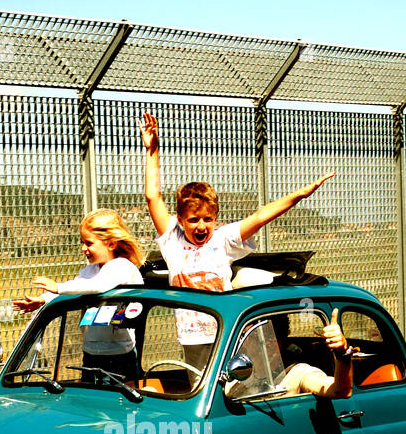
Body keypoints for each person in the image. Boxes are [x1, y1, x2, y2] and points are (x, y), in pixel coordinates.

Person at [138, 111, 335, 372]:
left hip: (226, 333)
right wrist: (152, 149)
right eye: (194, 219)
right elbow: (153, 197)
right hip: (192, 337)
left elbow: (260, 216)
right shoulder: (172, 241)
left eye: (207, 219)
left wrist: (299, 195)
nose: (201, 226)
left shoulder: (222, 240)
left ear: (215, 218)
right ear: (181, 219)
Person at [11, 209, 145, 384]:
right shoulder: (92, 270)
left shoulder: (122, 267)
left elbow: (96, 286)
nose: (83, 248)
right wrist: (44, 299)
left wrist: (58, 287)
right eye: (82, 242)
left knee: (115, 405)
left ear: (111, 244)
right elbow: (79, 285)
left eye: (89, 243)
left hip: (118, 356)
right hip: (91, 353)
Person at [227, 310, 356, 400]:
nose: (248, 340)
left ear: (279, 339)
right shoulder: (236, 369)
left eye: (257, 335)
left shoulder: (297, 373)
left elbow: (340, 390)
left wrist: (342, 353)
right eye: (246, 335)